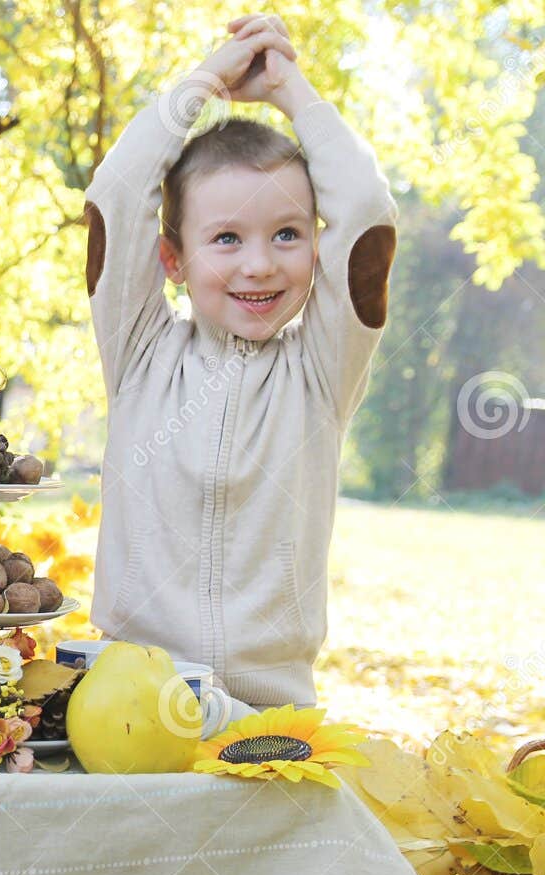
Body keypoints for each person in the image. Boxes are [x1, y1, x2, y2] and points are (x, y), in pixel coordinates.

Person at [84, 14, 396, 706]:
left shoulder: (322, 369)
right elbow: (117, 190)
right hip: (131, 700)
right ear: (172, 259)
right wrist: (202, 82)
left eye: (287, 233)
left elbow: (368, 208)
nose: (259, 264)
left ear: (317, 249)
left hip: (274, 709)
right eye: (226, 238)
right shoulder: (138, 351)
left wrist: (294, 93)